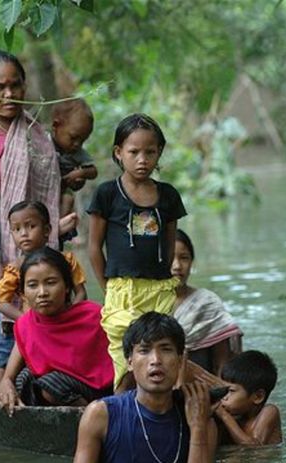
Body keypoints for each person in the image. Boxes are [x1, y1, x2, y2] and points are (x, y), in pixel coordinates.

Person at [0, 50, 62, 402]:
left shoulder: (32, 130)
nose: (8, 94)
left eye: (15, 85)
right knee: (2, 335)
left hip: (39, 246)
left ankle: (32, 400)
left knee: (44, 325)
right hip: (3, 246)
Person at [88, 113, 187, 392]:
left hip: (158, 289)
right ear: (119, 153)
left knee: (160, 356)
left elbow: (169, 243)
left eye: (150, 152)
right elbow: (94, 247)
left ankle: (161, 412)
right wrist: (108, 287)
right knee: (126, 358)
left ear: (159, 153)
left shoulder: (168, 195)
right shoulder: (107, 193)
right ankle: (122, 414)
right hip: (123, 290)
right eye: (134, 152)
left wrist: (163, 276)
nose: (142, 159)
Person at [73, 312, 217, 463]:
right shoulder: (101, 415)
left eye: (166, 349)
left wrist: (198, 427)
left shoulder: (201, 419)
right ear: (129, 362)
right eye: (144, 350)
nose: (156, 360)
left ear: (180, 361)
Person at [0, 247, 112, 414]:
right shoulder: (26, 324)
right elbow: (8, 376)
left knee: (50, 384)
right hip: (56, 389)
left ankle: (94, 418)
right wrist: (6, 384)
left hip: (97, 391)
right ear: (23, 293)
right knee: (23, 379)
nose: (42, 293)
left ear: (66, 287)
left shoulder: (94, 315)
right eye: (32, 285)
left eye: (51, 282)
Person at [0, 201, 87, 325]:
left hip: (66, 324)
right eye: (17, 229)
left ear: (47, 230)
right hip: (34, 330)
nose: (23, 233)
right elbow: (2, 303)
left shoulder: (65, 261)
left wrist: (70, 316)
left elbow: (81, 293)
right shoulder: (15, 269)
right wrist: (27, 322)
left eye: (31, 226)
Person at [171, 229, 243, 375]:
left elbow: (221, 364)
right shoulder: (144, 303)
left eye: (184, 258)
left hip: (203, 388)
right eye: (170, 258)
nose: (177, 266)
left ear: (192, 262)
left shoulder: (207, 303)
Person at [214, 350, 282, 445]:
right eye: (223, 391)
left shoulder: (269, 412)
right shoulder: (236, 416)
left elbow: (254, 447)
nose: (224, 397)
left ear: (258, 397)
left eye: (231, 391)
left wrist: (224, 416)